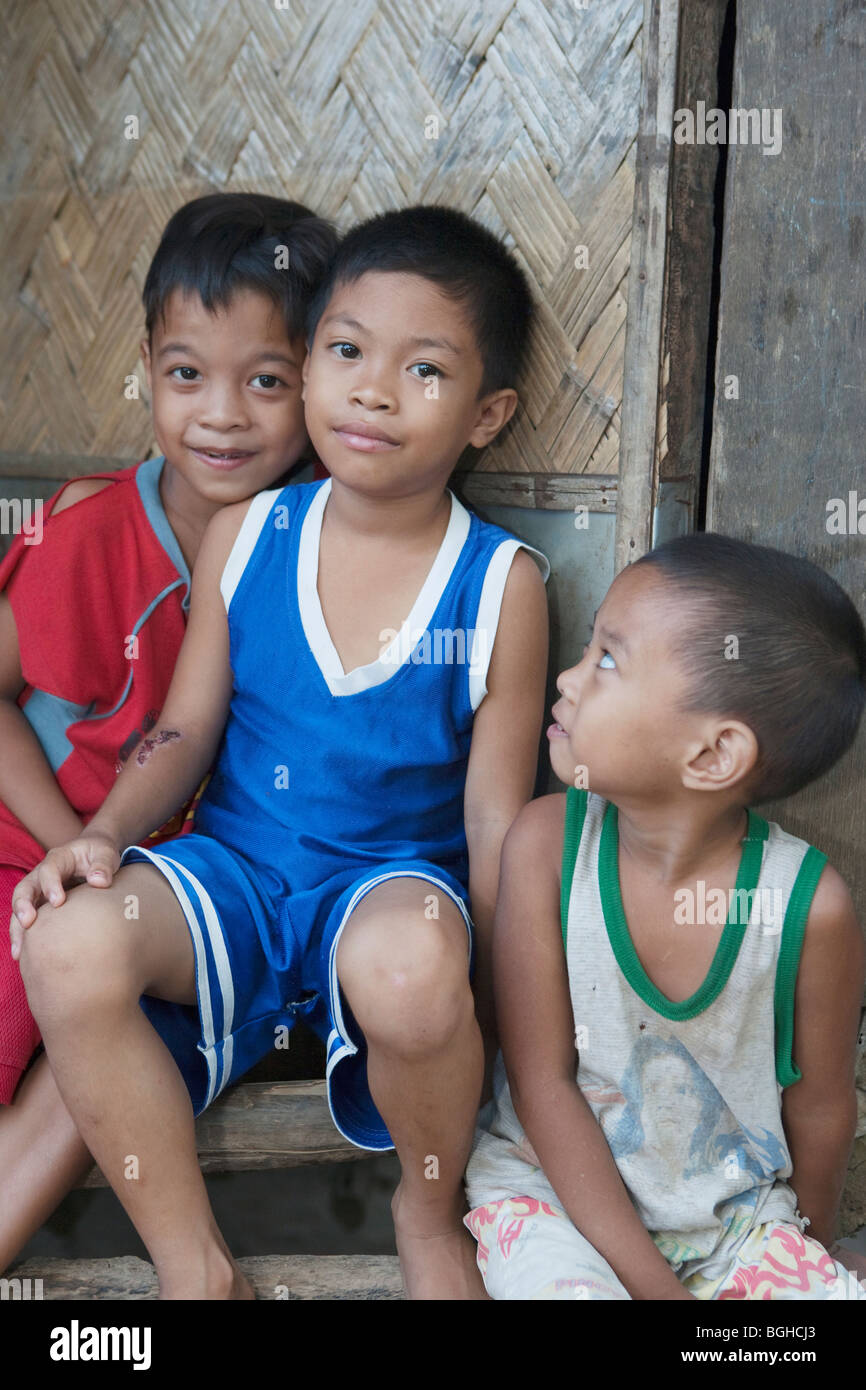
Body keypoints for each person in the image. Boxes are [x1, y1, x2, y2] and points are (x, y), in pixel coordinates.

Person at [10, 205, 552, 1299]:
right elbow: (187, 728)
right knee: (68, 944)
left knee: (407, 973)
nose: (372, 390)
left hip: (388, 889)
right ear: (311, 370)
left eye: (424, 371)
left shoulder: (501, 585)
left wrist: (490, 1001)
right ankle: (194, 1265)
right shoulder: (251, 535)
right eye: (345, 352)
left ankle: (425, 1208)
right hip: (238, 875)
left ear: (487, 414)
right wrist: (107, 836)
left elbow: (494, 817)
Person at [0, 190, 337, 1271]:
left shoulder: (317, 549)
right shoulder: (90, 527)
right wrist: (69, 842)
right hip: (39, 846)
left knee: (89, 1008)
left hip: (186, 896)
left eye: (267, 381)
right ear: (145, 365)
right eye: (187, 374)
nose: (222, 416)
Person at [463, 532, 866, 1300]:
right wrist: (659, 1291)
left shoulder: (808, 907)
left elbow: (820, 1108)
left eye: (607, 660)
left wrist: (802, 1251)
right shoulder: (548, 848)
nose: (567, 679)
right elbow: (542, 1083)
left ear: (713, 756)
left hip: (732, 1223)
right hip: (553, 1200)